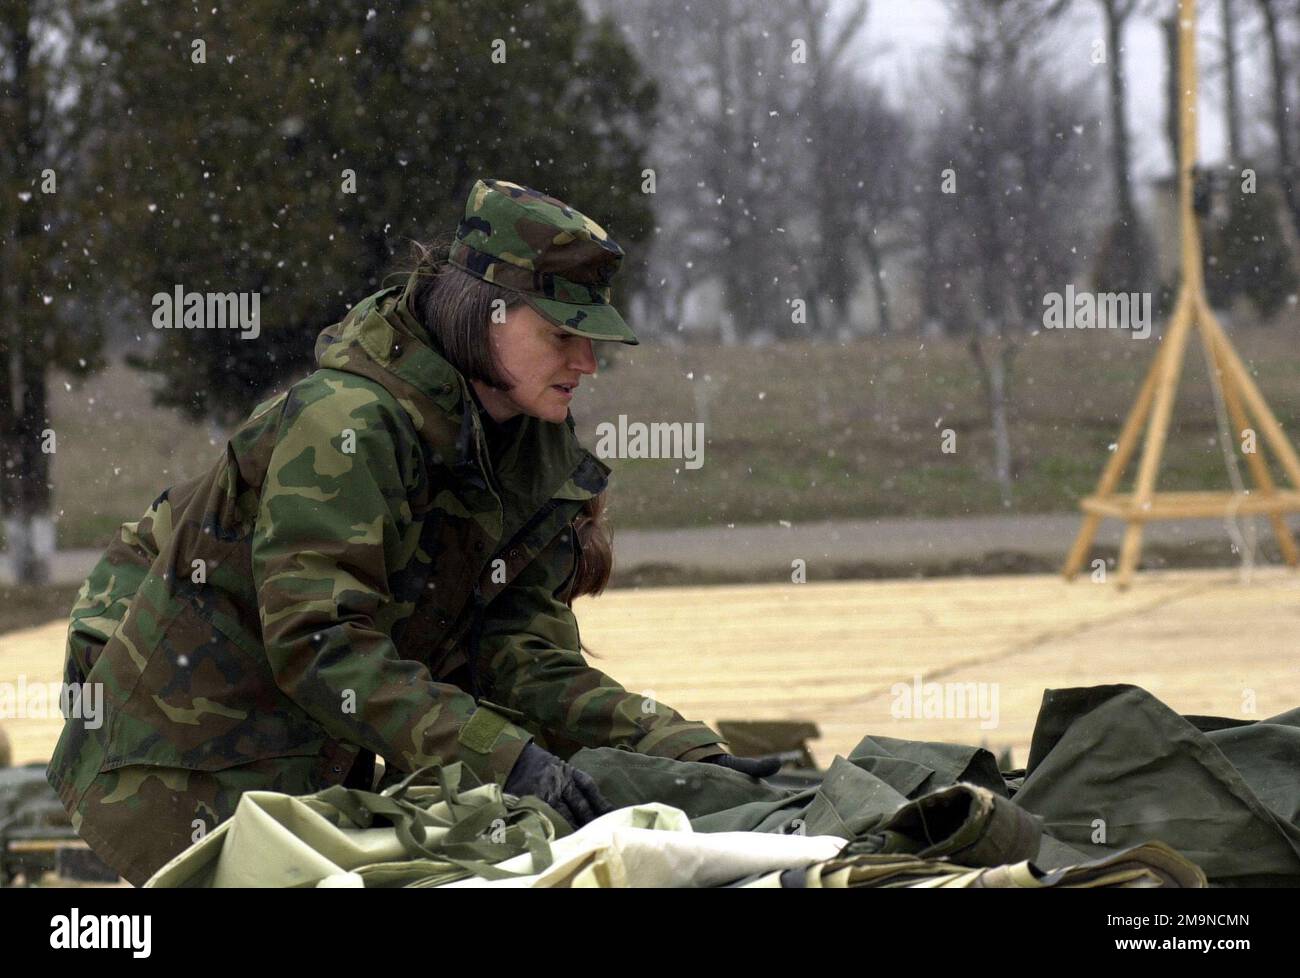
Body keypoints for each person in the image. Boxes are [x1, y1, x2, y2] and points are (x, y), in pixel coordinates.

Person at [46, 178, 776, 886]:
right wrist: (509, 759)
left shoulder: (522, 442)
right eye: (562, 334)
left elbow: (519, 656)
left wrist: (678, 750)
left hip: (308, 762)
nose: (586, 362)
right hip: (183, 766)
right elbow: (320, 646)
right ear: (486, 315)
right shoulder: (347, 426)